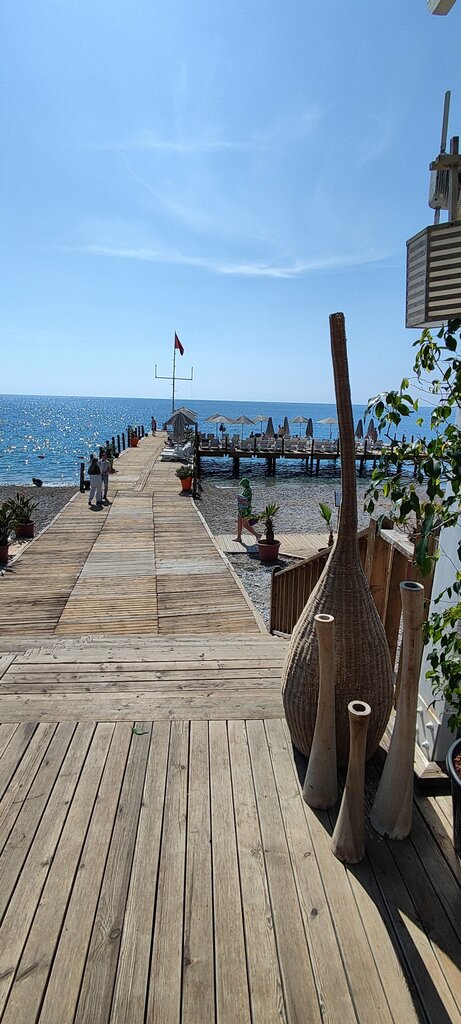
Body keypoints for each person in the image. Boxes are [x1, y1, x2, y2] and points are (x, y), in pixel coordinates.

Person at [235, 477, 260, 543]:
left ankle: (257, 535)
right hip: (241, 509)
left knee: (245, 525)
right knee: (239, 523)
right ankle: (238, 537)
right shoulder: (246, 489)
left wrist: (241, 499)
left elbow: (248, 501)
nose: (242, 485)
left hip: (245, 510)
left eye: (242, 484)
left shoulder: (248, 491)